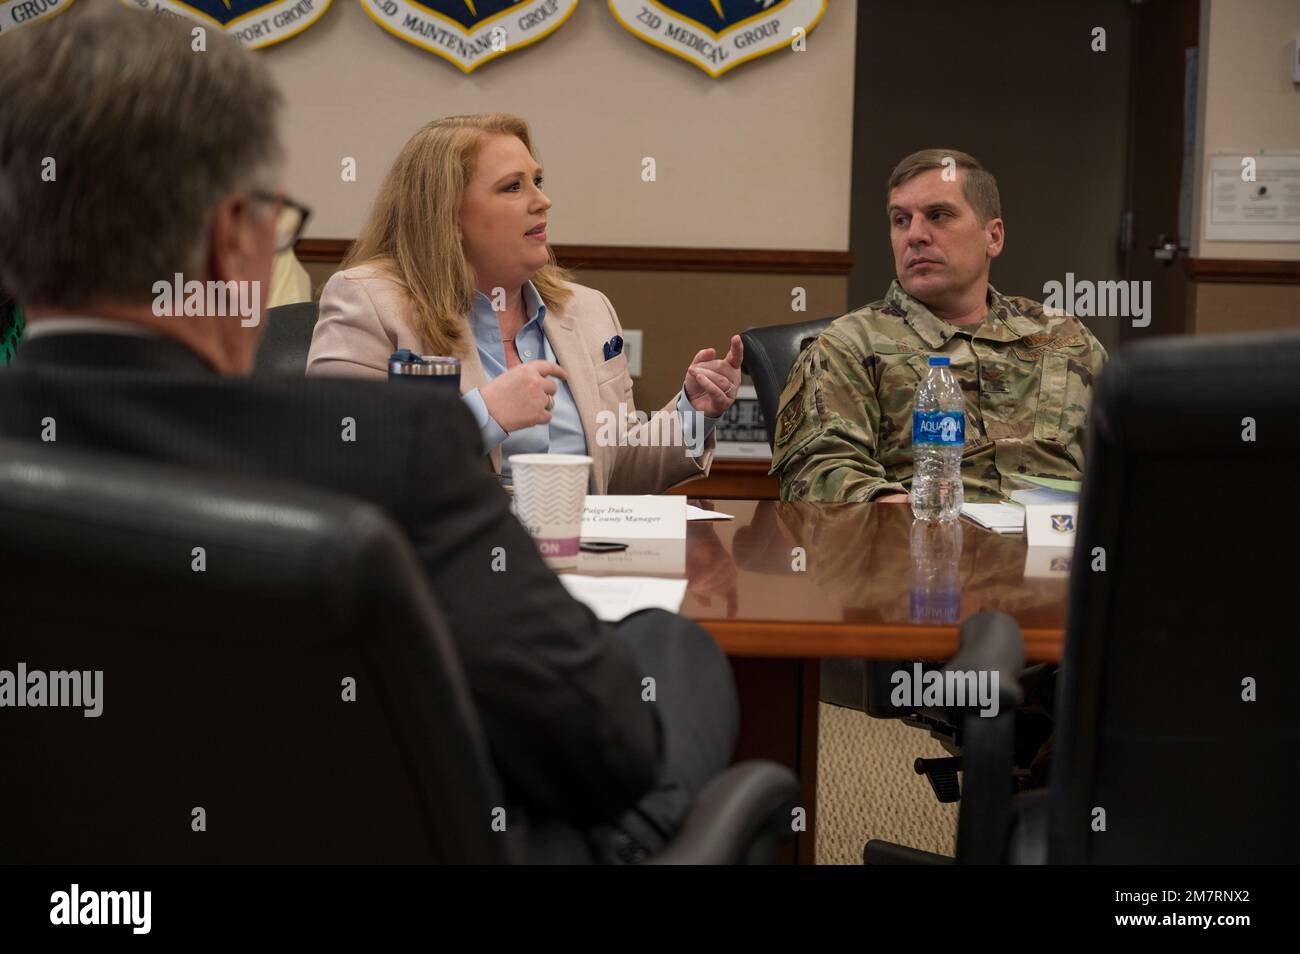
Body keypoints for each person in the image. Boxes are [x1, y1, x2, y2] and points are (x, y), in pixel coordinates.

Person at [0, 4, 737, 864]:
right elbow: (603, 750)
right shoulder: (393, 445)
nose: (540, 201)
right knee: (669, 659)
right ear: (236, 240)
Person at [306, 113, 744, 494]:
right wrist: (483, 414)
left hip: (583, 563)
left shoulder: (587, 311)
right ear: (449, 216)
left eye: (538, 180)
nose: (542, 200)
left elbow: (617, 474)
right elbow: (344, 460)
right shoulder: (369, 301)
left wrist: (691, 412)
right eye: (513, 187)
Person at [771, 149, 1108, 503]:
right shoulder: (850, 345)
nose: (915, 235)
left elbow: (1131, 456)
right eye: (901, 220)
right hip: (924, 542)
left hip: (1057, 545)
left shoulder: (1064, 336)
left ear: (993, 237)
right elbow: (815, 474)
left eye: (938, 215)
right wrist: (911, 514)